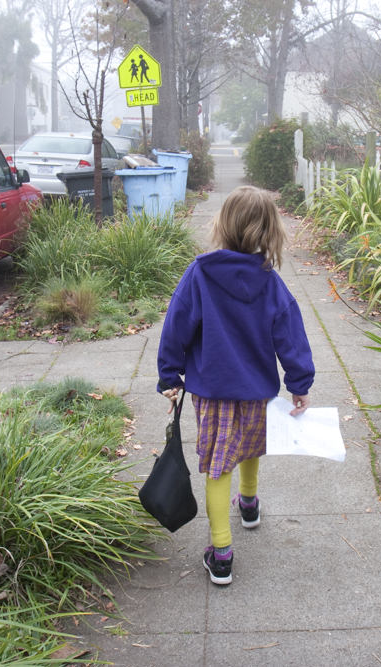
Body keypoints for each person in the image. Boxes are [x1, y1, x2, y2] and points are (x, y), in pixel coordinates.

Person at [157, 185, 315, 586]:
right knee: (249, 443)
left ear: (223, 224)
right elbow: (291, 336)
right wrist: (299, 383)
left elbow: (177, 323)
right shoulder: (270, 283)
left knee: (218, 464)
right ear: (270, 230)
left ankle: (222, 553)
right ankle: (248, 503)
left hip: (213, 391)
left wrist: (170, 374)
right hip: (257, 389)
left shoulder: (200, 274)